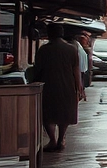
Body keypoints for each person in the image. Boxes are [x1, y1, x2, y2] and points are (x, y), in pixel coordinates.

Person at [34, 24, 83, 152]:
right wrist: (80, 88)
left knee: (48, 114)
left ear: (49, 34)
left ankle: (52, 140)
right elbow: (76, 69)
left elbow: (37, 69)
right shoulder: (72, 49)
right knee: (64, 113)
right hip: (68, 85)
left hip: (48, 85)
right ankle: (61, 139)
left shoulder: (43, 50)